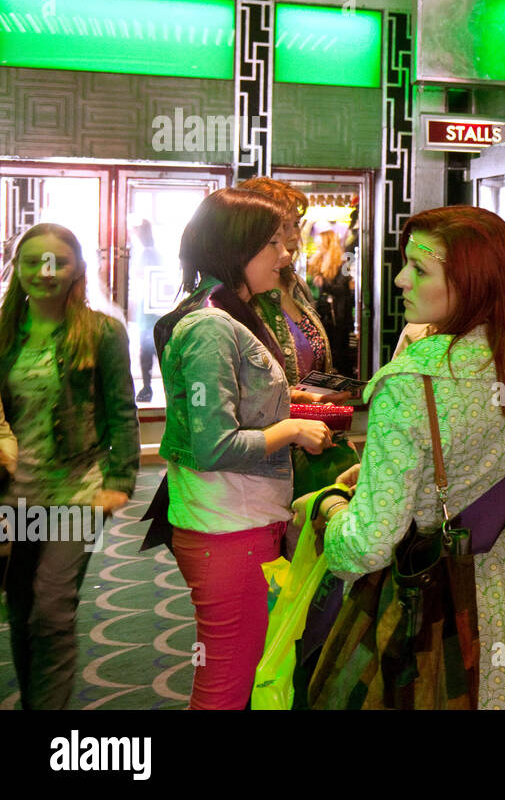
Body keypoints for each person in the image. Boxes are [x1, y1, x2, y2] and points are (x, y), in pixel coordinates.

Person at [303, 206, 505, 709]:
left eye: (420, 269)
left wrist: (326, 508)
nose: (399, 280)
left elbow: (368, 545)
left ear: (471, 281)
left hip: (427, 600)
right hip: (502, 586)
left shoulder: (413, 383)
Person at [151, 189, 334, 709]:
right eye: (273, 242)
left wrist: (283, 401)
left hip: (233, 517)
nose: (285, 254)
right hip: (225, 523)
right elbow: (214, 445)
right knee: (227, 682)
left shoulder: (228, 310)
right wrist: (291, 429)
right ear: (236, 247)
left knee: (238, 670)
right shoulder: (212, 323)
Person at [0, 223, 140, 710]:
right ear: (16, 268)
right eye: (33, 261)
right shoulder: (3, 333)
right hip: (15, 494)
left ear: (78, 267)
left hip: (79, 490)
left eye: (58, 261)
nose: (45, 271)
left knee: (53, 609)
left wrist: (120, 480)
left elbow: (123, 412)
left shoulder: (100, 331)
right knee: (20, 609)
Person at [237, 178, 343, 396]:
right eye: (283, 227)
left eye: (296, 224)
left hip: (309, 425)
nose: (294, 236)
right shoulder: (239, 295)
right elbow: (234, 392)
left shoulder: (295, 284)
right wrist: (296, 397)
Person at [307, 229, 356, 378]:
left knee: (340, 348)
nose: (317, 246)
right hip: (322, 311)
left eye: (320, 243)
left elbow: (343, 290)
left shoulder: (342, 263)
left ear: (327, 243)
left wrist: (324, 284)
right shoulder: (316, 260)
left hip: (337, 314)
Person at [130, 219, 163, 403]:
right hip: (150, 307)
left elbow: (141, 274)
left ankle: (147, 387)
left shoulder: (148, 254)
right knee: (153, 349)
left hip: (150, 308)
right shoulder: (153, 253)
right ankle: (150, 387)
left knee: (149, 349)